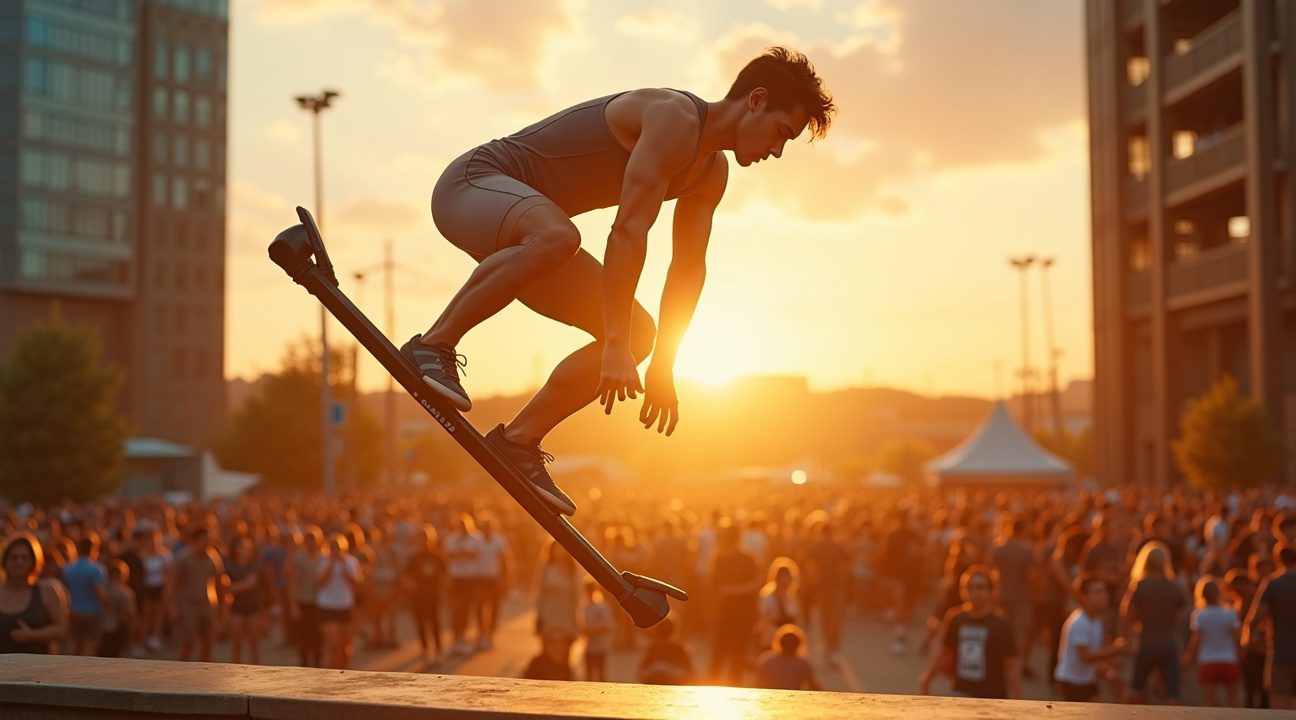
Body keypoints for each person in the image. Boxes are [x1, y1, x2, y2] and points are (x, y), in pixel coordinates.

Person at [399, 48, 835, 517]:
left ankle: (518, 442)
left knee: (638, 333)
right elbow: (628, 231)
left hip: (529, 240)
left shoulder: (711, 174)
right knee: (563, 243)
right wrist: (612, 343)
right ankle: (433, 345)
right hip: (473, 186)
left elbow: (687, 271)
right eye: (781, 133)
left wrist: (663, 364)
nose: (777, 151)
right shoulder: (674, 117)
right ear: (756, 100)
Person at [919, 566, 1020, 700]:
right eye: (970, 587)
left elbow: (1011, 664)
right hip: (961, 692)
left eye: (980, 587)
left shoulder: (1001, 624)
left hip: (992, 696)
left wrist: (1017, 699)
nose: (975, 592)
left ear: (991, 591)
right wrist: (926, 678)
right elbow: (944, 652)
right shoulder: (956, 619)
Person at [1121, 541, 1186, 704]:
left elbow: (1127, 615)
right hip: (1168, 643)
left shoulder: (1139, 586)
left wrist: (1126, 638)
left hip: (1146, 642)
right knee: (1172, 695)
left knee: (1135, 689)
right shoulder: (1174, 587)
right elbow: (1178, 619)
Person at [1053, 573, 1129, 702]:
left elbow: (1100, 647)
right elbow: (1086, 657)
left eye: (1104, 591)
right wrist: (1117, 650)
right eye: (1097, 592)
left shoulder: (1096, 618)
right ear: (1083, 597)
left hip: (1087, 680)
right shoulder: (1079, 622)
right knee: (1106, 708)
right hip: (1072, 682)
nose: (1104, 596)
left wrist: (1110, 670)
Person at [708, 520, 762, 685]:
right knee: (719, 656)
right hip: (726, 613)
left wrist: (734, 590)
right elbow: (716, 586)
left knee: (736, 657)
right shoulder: (719, 558)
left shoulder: (747, 558)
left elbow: (756, 582)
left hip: (741, 614)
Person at [1245, 543, 1296, 710]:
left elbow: (1255, 618)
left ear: (1277, 560)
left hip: (1280, 653)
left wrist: (1249, 639)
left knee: (1279, 705)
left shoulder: (1273, 584)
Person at [0, 533, 68, 655]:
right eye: (14, 557)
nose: (19, 562)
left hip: (36, 664)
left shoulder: (47, 591)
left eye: (25, 558)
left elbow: (60, 630)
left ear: (34, 561)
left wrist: (32, 635)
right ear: (5, 561)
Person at [168, 526, 226, 662]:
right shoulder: (183, 559)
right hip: (188, 605)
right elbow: (173, 584)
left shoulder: (213, 558)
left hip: (207, 604)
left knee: (208, 642)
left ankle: (204, 670)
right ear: (194, 541)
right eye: (204, 539)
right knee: (188, 643)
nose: (207, 542)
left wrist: (222, 608)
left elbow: (220, 583)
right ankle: (181, 671)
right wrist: (173, 607)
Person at [1185, 576, 1241, 707]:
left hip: (1208, 660)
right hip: (1228, 659)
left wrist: (1189, 657)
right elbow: (1236, 637)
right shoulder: (1230, 613)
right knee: (1233, 701)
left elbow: (1196, 640)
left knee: (1209, 702)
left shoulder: (1199, 614)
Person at [990, 516, 1035, 677]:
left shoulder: (999, 549)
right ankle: (1016, 668)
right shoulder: (1026, 550)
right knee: (1019, 637)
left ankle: (1000, 665)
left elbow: (992, 572)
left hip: (1002, 597)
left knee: (1001, 633)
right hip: (1021, 598)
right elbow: (1032, 577)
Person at [315, 532, 362, 669]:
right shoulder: (323, 561)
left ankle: (344, 670)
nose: (335, 550)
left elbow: (356, 583)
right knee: (334, 645)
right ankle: (332, 671)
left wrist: (344, 567)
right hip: (327, 606)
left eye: (338, 547)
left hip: (345, 606)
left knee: (345, 646)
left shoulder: (351, 561)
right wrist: (331, 565)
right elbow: (320, 582)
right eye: (332, 547)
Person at [404, 524, 447, 666]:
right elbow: (405, 575)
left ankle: (438, 651)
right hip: (418, 596)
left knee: (434, 623)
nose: (424, 542)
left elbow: (444, 575)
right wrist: (410, 585)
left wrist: (443, 592)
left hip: (433, 595)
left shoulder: (437, 556)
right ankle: (425, 651)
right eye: (421, 539)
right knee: (420, 624)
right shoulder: (414, 557)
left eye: (426, 539)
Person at [62, 534, 108, 656]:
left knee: (72, 642)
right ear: (93, 549)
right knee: (89, 644)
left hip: (73, 610)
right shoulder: (96, 569)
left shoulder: (68, 569)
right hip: (92, 612)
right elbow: (101, 594)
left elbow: (64, 591)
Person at [286, 526, 323, 667]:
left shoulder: (322, 558)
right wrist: (293, 605)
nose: (311, 544)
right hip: (303, 601)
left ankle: (317, 665)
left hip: (319, 602)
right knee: (304, 637)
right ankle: (304, 664)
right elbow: (293, 583)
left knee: (318, 637)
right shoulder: (298, 559)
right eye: (309, 541)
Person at [226, 536, 266, 665]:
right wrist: (246, 584)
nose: (245, 549)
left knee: (254, 644)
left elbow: (262, 590)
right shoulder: (229, 567)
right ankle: (235, 671)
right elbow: (225, 589)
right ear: (235, 549)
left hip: (253, 608)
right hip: (236, 609)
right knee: (237, 644)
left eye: (248, 547)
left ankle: (256, 669)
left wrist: (238, 586)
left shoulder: (256, 567)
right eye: (242, 547)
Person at [756, 624, 821, 691]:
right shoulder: (802, 664)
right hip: (793, 696)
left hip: (770, 696)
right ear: (798, 644)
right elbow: (813, 686)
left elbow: (758, 684)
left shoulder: (766, 661)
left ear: (779, 642)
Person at [756, 556, 801, 652]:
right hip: (772, 639)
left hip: (790, 641)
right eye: (783, 577)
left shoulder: (792, 597)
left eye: (788, 577)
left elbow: (796, 619)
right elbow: (765, 621)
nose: (786, 580)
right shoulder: (768, 597)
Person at [638, 615, 694, 685]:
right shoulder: (680, 648)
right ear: (674, 631)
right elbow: (690, 673)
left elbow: (641, 672)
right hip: (672, 681)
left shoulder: (653, 647)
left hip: (656, 679)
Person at [98, 560, 137, 659]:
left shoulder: (102, 590)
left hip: (102, 627)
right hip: (119, 628)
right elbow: (129, 613)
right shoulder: (125, 592)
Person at [578, 580, 613, 682]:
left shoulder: (602, 606)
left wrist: (592, 630)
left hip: (600, 645)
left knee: (601, 674)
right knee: (588, 675)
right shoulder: (584, 606)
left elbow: (608, 625)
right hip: (589, 646)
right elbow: (581, 625)